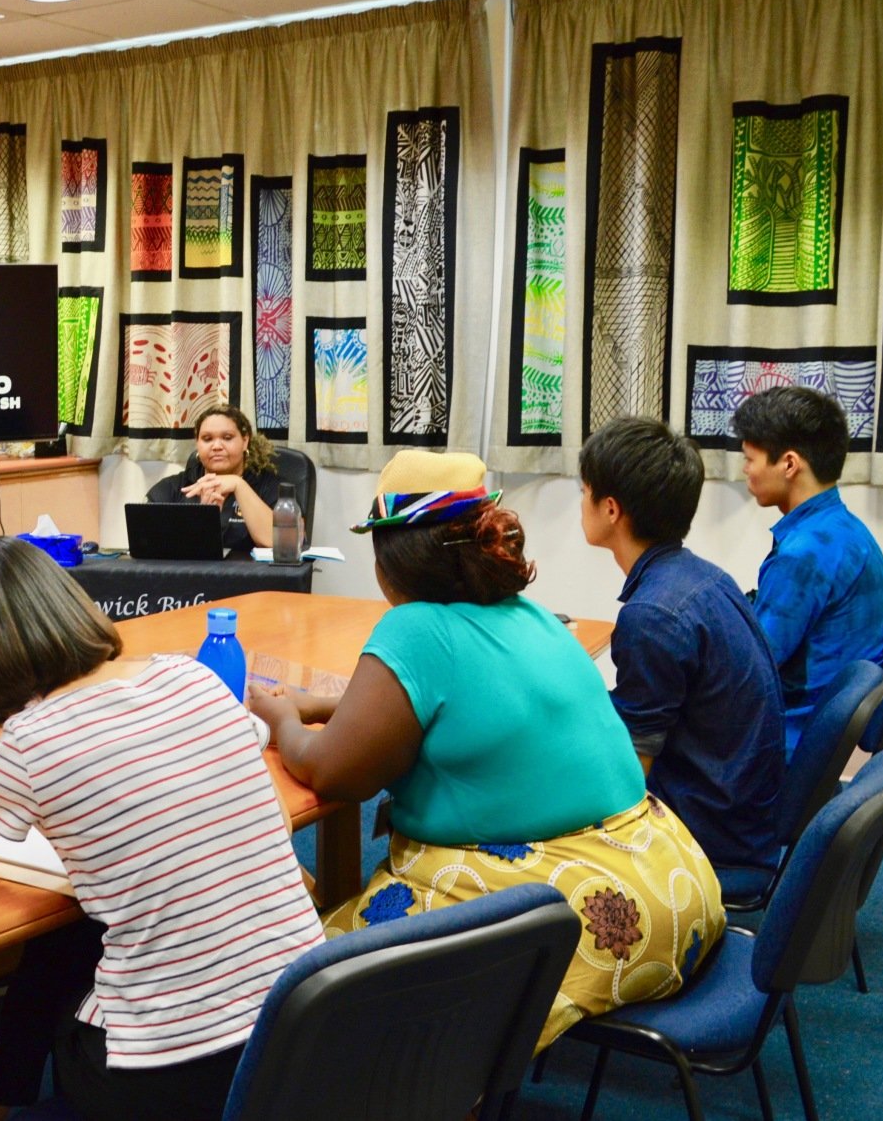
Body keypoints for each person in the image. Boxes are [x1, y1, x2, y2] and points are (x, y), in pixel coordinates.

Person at [250, 449, 725, 1050]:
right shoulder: (534, 617)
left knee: (307, 989)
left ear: (389, 556)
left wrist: (283, 716)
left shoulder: (415, 628)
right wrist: (330, 703)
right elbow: (447, 699)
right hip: (672, 883)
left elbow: (332, 773)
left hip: (582, 912)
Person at [0, 538, 324, 1121]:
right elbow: (270, 815)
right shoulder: (193, 677)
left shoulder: (30, 741)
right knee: (80, 919)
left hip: (167, 1080)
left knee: (60, 938)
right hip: (304, 1028)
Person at [578, 418, 784, 873]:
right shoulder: (704, 576)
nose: (581, 502)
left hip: (708, 832)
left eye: (583, 490)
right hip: (743, 807)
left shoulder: (652, 613)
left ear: (611, 509)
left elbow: (630, 777)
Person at [734, 386, 883, 748]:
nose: (744, 470)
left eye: (750, 459)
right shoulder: (843, 528)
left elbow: (752, 668)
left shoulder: (805, 553)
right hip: (819, 729)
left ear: (789, 464)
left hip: (786, 738)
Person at [144, 403, 279, 554]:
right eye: (207, 439)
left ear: (245, 441)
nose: (216, 446)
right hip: (189, 576)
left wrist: (238, 484)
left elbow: (279, 542)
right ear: (198, 443)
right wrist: (201, 519)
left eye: (227, 438)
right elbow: (149, 547)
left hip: (251, 576)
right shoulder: (172, 488)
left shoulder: (269, 485)